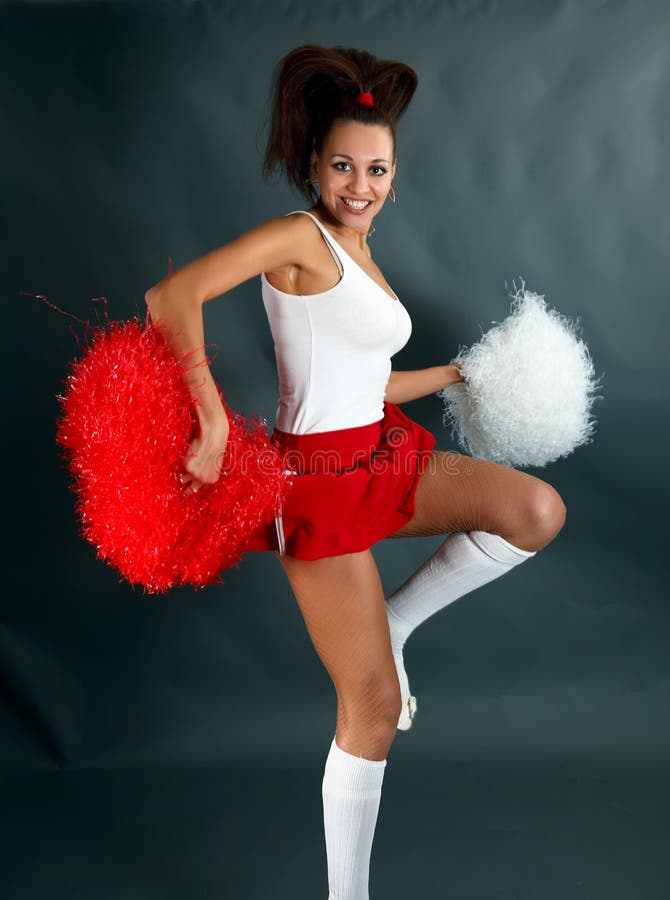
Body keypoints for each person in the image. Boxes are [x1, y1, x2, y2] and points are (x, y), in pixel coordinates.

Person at [144, 43, 566, 900]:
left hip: (381, 451)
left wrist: (455, 375)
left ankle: (401, 622)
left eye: (376, 168)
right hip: (319, 484)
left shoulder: (358, 250)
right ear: (314, 165)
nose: (360, 183)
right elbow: (171, 297)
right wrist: (215, 416)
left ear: (395, 178)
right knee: (370, 710)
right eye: (343, 165)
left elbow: (362, 382)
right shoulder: (299, 238)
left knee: (534, 509)